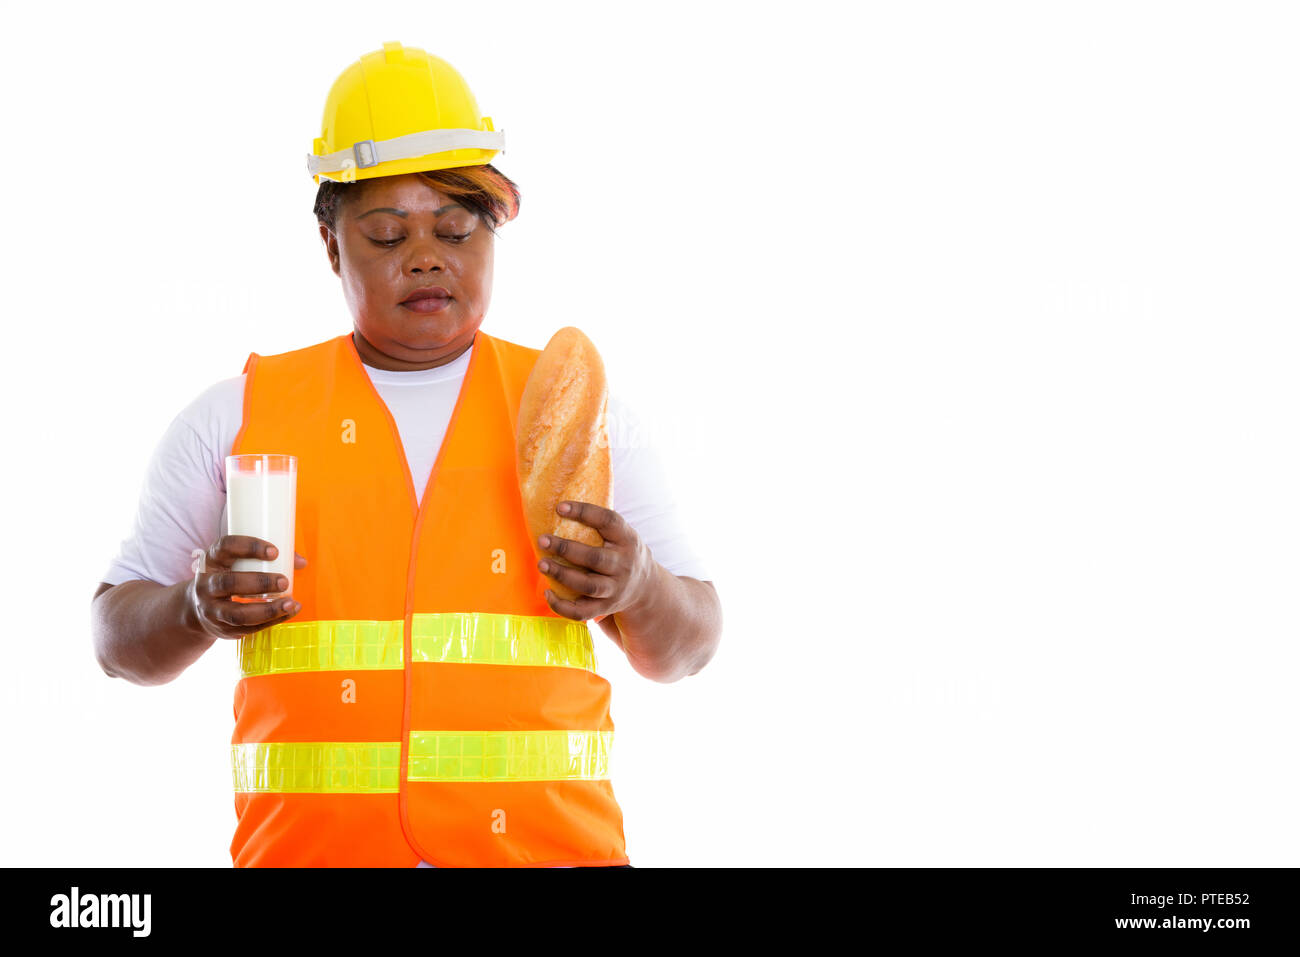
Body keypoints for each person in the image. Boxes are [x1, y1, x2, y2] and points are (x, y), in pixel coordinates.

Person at [90, 42, 722, 867]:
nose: (426, 257)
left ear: (494, 232)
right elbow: (114, 639)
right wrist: (192, 609)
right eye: (388, 235)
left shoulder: (578, 411)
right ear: (329, 243)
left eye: (455, 229)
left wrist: (637, 587)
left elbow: (691, 648)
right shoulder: (238, 415)